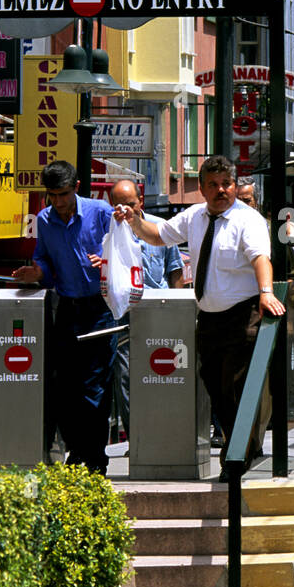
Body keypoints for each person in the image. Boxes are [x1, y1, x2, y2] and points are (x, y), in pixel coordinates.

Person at [113, 155, 285, 474]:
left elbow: (262, 258)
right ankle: (237, 445)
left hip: (242, 314)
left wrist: (266, 292)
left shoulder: (248, 221)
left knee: (235, 383)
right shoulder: (194, 216)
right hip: (208, 317)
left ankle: (237, 455)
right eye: (213, 185)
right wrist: (135, 221)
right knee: (213, 383)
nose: (221, 190)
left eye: (227, 184)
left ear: (234, 186)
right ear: (202, 189)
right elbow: (158, 235)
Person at [12, 160, 117, 474]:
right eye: (53, 195)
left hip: (100, 308)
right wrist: (37, 270)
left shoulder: (101, 212)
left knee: (95, 386)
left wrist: (109, 260)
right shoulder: (45, 220)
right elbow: (43, 257)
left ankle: (94, 457)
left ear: (77, 188)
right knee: (65, 386)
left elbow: (131, 247)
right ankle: (77, 450)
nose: (59, 202)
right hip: (68, 307)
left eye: (64, 194)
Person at [109, 179, 184, 448]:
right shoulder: (109, 231)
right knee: (127, 380)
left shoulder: (159, 229)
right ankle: (139, 441)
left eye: (129, 204)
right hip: (125, 318)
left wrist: (178, 313)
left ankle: (166, 439)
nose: (124, 210)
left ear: (140, 201)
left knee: (165, 377)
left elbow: (175, 272)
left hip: (160, 315)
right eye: (118, 204)